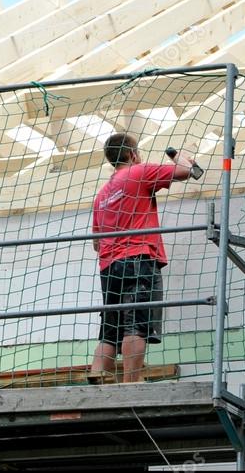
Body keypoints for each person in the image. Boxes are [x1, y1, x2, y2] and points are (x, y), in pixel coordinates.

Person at [89, 133, 195, 383]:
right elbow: (184, 172)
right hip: (138, 259)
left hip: (109, 267)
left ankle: (97, 373)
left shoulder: (102, 196)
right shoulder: (138, 172)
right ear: (132, 154)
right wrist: (178, 156)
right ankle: (130, 383)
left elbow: (96, 243)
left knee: (111, 328)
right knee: (136, 323)